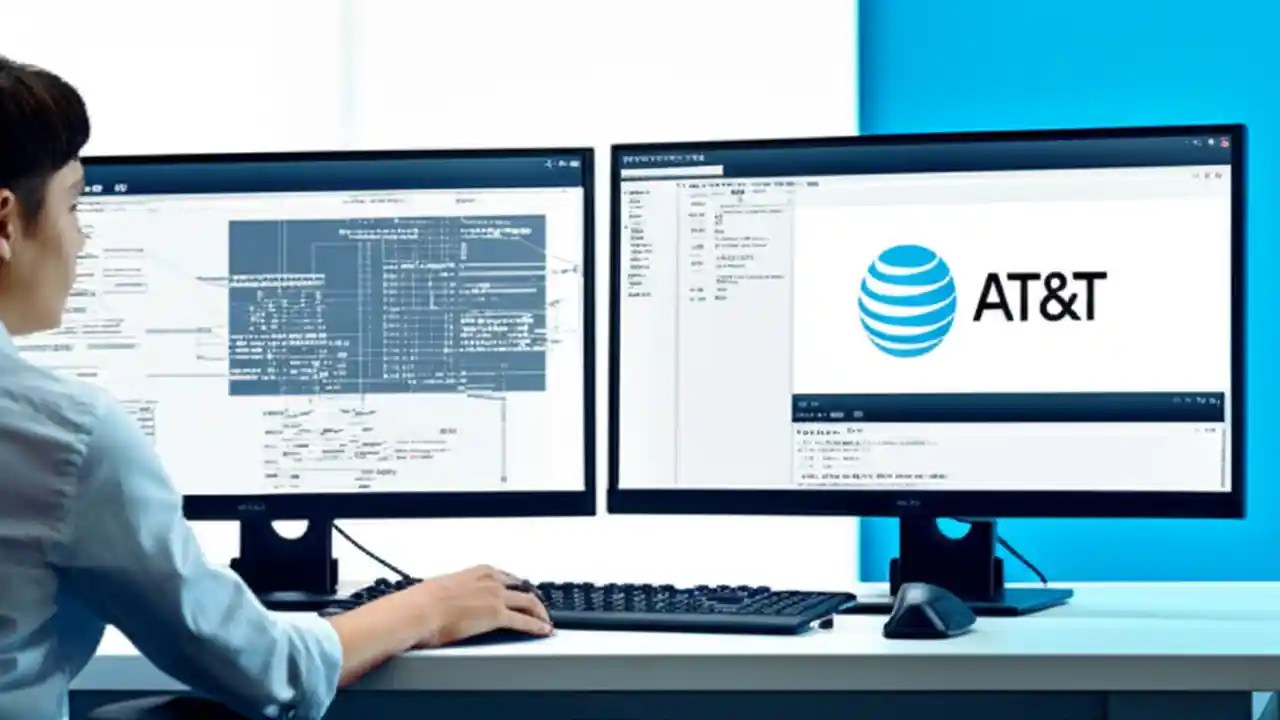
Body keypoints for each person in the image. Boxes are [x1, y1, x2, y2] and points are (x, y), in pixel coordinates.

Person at [0, 56, 554, 720]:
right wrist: (427, 606)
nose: (82, 239)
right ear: (5, 222)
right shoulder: (63, 437)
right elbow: (266, 673)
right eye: (74, 204)